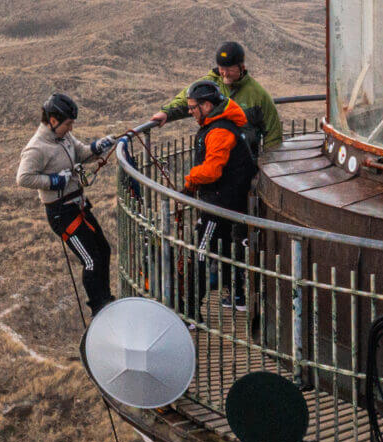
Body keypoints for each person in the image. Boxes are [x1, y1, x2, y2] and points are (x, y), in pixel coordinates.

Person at [15, 90, 119, 315]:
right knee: (91, 259)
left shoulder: (64, 137)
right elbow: (23, 177)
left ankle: (106, 300)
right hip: (62, 214)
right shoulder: (37, 148)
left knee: (103, 249)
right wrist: (53, 181)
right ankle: (100, 308)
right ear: (53, 121)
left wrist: (98, 147)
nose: (71, 128)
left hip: (78, 205)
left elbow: (81, 153)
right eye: (68, 123)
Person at [181, 79, 258, 311]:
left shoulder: (219, 131)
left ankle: (192, 310)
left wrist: (191, 179)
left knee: (201, 253)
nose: (190, 112)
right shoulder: (222, 125)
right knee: (225, 249)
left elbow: (212, 170)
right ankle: (237, 296)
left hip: (219, 205)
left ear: (206, 106)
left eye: (193, 107)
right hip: (228, 201)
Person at [150, 40, 282, 152]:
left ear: (242, 67)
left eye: (229, 69)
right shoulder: (208, 85)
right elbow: (186, 99)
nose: (224, 73)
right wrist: (166, 113)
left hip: (245, 164)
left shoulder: (258, 94)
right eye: (221, 68)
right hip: (214, 160)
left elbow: (273, 134)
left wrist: (267, 168)